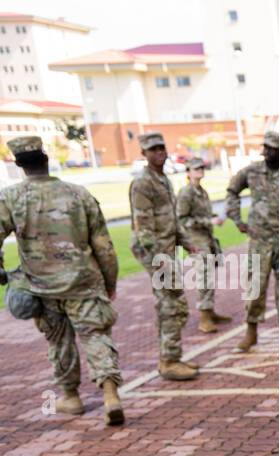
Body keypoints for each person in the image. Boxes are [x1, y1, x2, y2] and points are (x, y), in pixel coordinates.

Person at [0, 136, 124, 425]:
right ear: (45, 159)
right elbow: (104, 246)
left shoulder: (10, 198)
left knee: (59, 341)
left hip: (41, 286)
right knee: (96, 335)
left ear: (20, 165)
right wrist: (111, 281)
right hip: (84, 281)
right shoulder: (79, 194)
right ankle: (110, 396)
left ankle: (71, 397)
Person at [225, 131, 279, 353]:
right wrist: (236, 218)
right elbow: (232, 190)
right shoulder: (252, 171)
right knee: (255, 287)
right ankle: (251, 331)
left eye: (273, 149)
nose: (268, 152)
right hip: (259, 240)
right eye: (266, 148)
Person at [129, 131, 198, 381]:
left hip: (166, 249)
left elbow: (171, 218)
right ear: (144, 153)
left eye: (161, 148)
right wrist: (161, 263)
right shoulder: (143, 183)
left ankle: (170, 357)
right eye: (153, 149)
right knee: (172, 303)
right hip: (154, 252)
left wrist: (186, 242)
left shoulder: (163, 179)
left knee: (171, 303)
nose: (158, 153)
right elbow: (144, 229)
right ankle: (169, 361)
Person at [175, 158, 231, 333]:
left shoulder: (201, 191)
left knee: (210, 276)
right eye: (196, 168)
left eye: (201, 167)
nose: (200, 170)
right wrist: (209, 220)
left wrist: (215, 217)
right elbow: (182, 220)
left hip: (207, 238)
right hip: (195, 240)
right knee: (203, 277)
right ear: (188, 172)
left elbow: (203, 214)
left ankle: (210, 311)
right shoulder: (186, 193)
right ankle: (204, 318)